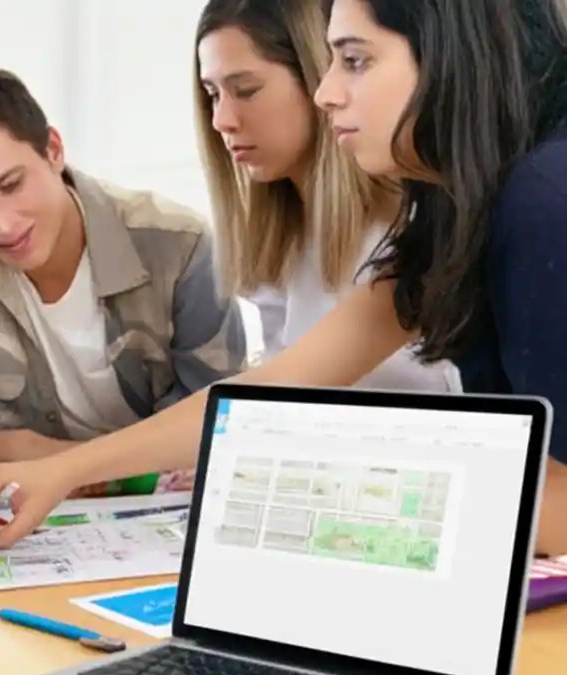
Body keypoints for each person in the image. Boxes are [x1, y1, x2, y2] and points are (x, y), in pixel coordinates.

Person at [0, 0, 567, 556]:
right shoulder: (453, 206)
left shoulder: (544, 200)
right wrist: (69, 469)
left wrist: (308, 503)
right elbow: (275, 385)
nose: (326, 92)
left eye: (355, 60)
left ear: (451, 56)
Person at [0, 67, 246, 480]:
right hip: (48, 514)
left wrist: (70, 468)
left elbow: (219, 421)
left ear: (53, 150)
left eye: (11, 185)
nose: (1, 226)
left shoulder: (180, 244)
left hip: (161, 506)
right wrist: (26, 450)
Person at [196, 0, 458, 391]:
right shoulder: (279, 241)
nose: (221, 121)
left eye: (246, 90)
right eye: (213, 95)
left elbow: (270, 394)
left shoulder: (422, 228)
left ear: (316, 78)